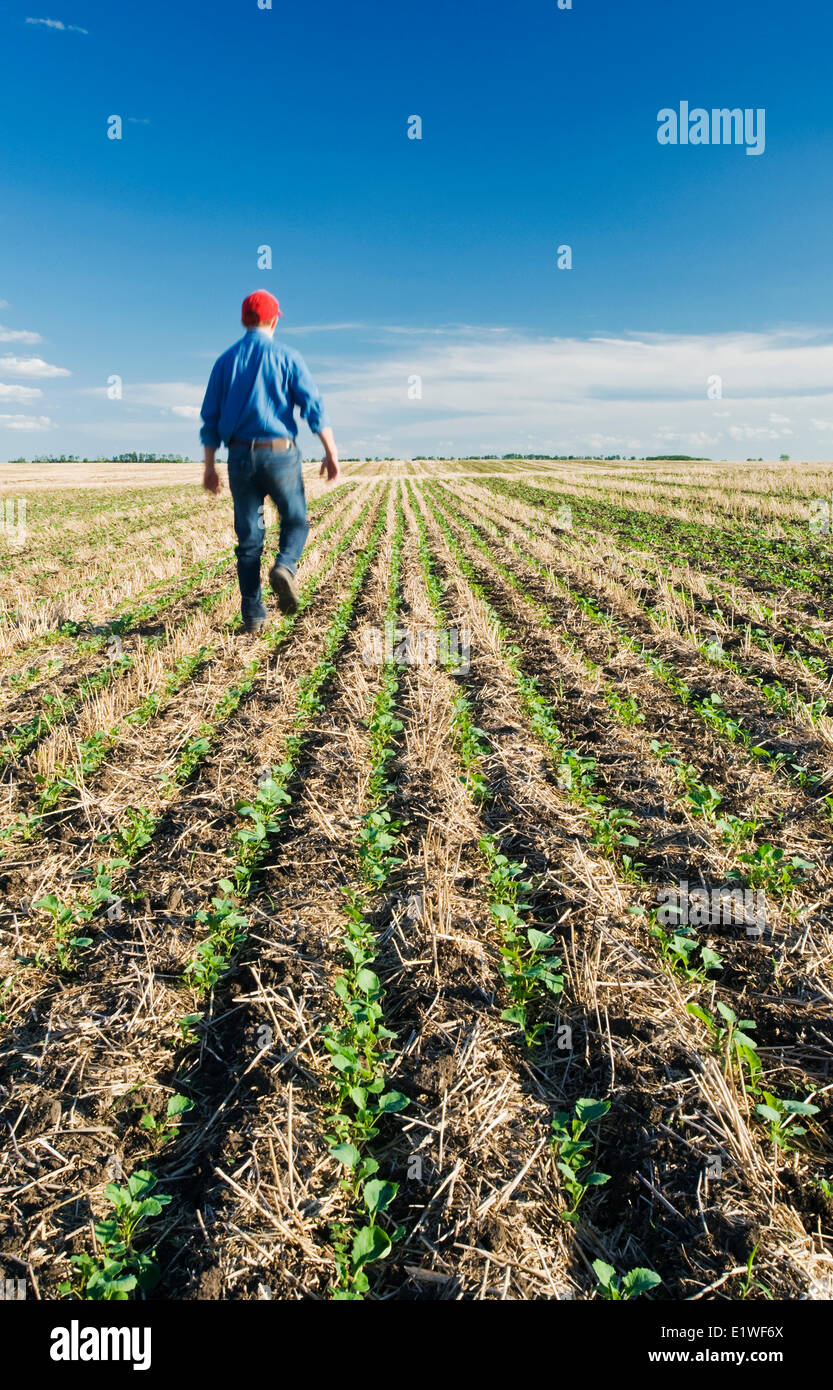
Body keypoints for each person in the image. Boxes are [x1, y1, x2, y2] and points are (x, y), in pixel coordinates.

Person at [200, 290, 340, 634]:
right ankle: (285, 567)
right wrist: (331, 451)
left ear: (244, 320)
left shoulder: (224, 361)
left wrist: (208, 466)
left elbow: (210, 419)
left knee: (249, 537)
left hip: (239, 456)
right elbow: (312, 407)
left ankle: (253, 615)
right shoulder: (288, 357)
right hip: (279, 453)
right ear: (274, 320)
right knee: (295, 521)